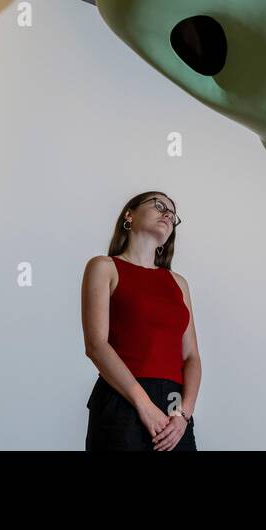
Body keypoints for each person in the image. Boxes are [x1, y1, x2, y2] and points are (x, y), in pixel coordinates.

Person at [81, 191, 200, 450]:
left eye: (173, 214)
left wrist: (183, 414)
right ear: (129, 215)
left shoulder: (178, 283)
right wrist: (144, 405)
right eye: (159, 206)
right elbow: (96, 345)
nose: (168, 214)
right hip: (122, 399)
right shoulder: (104, 267)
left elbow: (191, 356)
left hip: (173, 407)